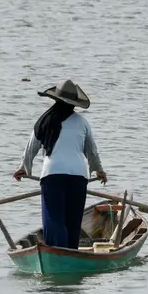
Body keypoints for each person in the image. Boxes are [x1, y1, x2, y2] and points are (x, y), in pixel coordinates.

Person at [12, 80, 108, 249]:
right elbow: (92, 152)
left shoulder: (45, 121)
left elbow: (31, 148)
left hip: (53, 176)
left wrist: (24, 168)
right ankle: (70, 253)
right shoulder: (82, 123)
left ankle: (58, 253)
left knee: (55, 220)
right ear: (73, 104)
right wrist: (99, 171)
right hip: (79, 177)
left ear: (56, 100)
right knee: (73, 220)